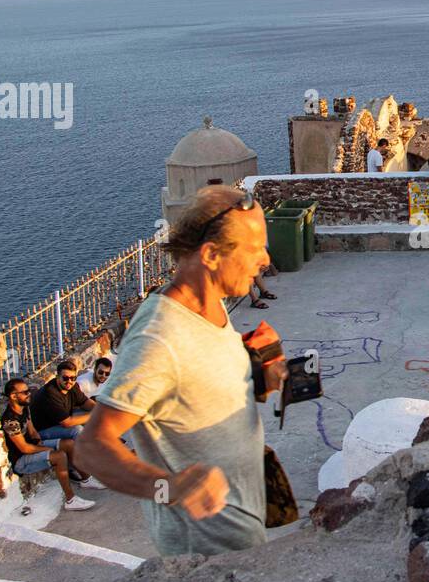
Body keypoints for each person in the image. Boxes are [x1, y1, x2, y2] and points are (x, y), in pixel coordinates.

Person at [75, 185, 279, 556]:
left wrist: (263, 377)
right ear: (212, 254)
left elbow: (196, 392)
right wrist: (169, 488)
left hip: (244, 534)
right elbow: (91, 449)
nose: (265, 259)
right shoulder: (160, 337)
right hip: (205, 555)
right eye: (254, 249)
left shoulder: (213, 306)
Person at [0, 378, 96, 511]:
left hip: (33, 447)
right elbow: (24, 448)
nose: (29, 394)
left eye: (28, 391)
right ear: (14, 396)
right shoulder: (10, 421)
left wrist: (39, 441)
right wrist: (48, 448)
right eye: (25, 392)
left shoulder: (24, 407)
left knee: (68, 444)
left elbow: (32, 431)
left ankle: (86, 479)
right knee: (59, 456)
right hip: (21, 460)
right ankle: (70, 500)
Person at [30, 362, 96, 444]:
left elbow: (85, 403)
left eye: (73, 378)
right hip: (44, 430)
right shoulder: (50, 393)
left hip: (61, 420)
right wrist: (94, 415)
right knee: (76, 430)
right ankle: (88, 455)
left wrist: (100, 410)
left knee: (96, 413)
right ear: (57, 377)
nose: (69, 381)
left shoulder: (73, 385)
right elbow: (67, 423)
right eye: (65, 378)